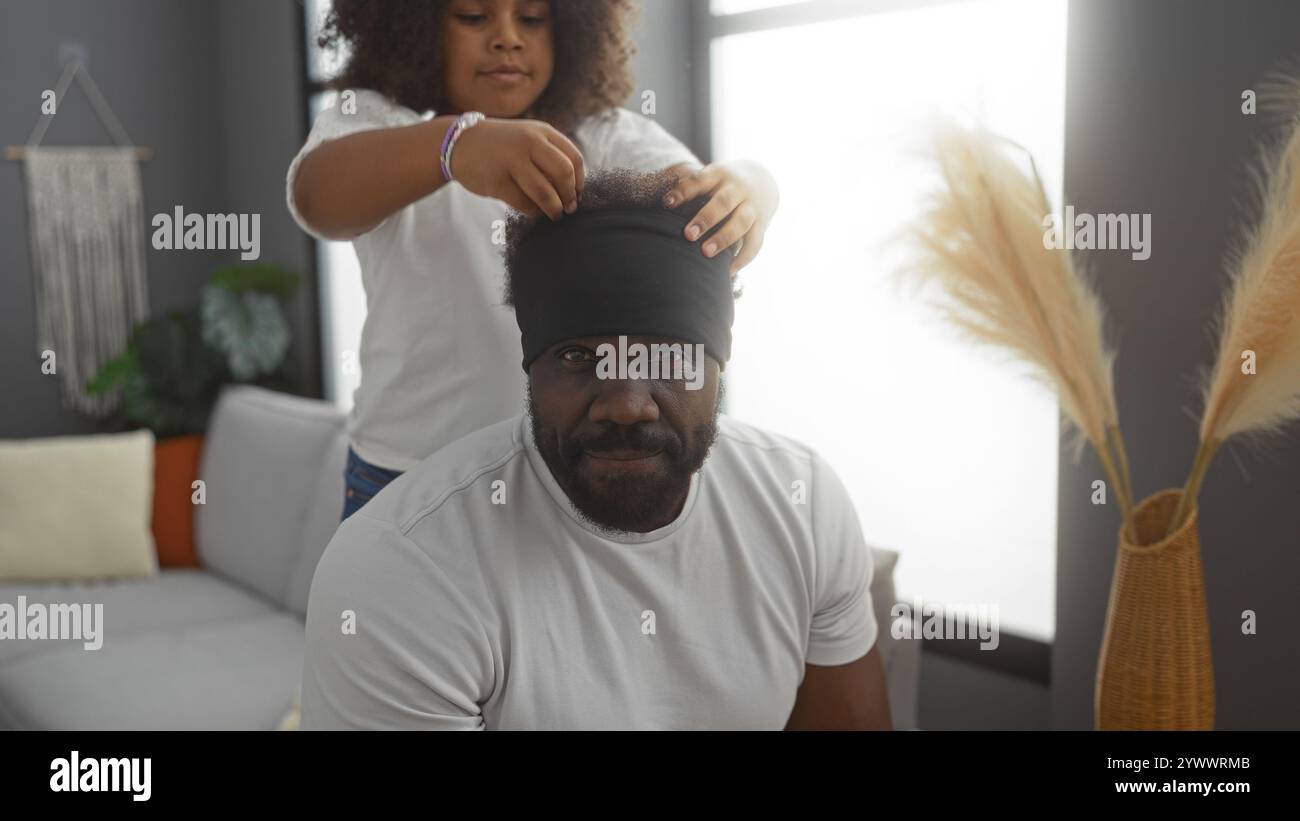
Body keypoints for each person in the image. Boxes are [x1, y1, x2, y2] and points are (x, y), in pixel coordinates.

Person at [300, 169, 891, 730]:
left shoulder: (801, 502)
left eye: (667, 357)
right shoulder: (403, 571)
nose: (626, 404)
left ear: (719, 366)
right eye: (581, 357)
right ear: (530, 369)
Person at [286, 0, 780, 521]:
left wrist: (754, 184)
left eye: (532, 18)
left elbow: (703, 192)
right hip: (402, 474)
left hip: (553, 477)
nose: (506, 38)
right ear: (417, 24)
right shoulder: (375, 118)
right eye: (474, 17)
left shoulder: (601, 133)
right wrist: (455, 145)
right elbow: (319, 200)